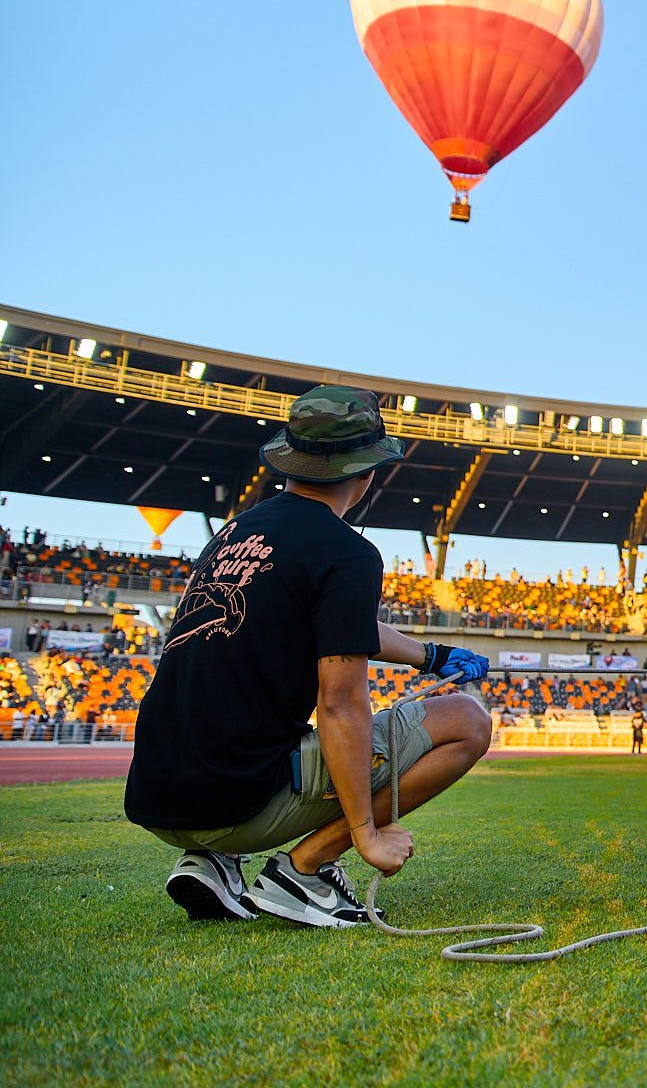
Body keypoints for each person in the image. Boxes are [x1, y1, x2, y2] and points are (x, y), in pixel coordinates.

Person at [123, 387, 493, 929]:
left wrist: (429, 655)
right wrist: (367, 834)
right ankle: (306, 870)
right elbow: (340, 706)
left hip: (161, 797)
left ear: (291, 460)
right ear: (367, 474)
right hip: (236, 805)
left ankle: (210, 865)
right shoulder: (347, 552)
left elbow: (329, 624)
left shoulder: (233, 533)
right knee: (468, 721)